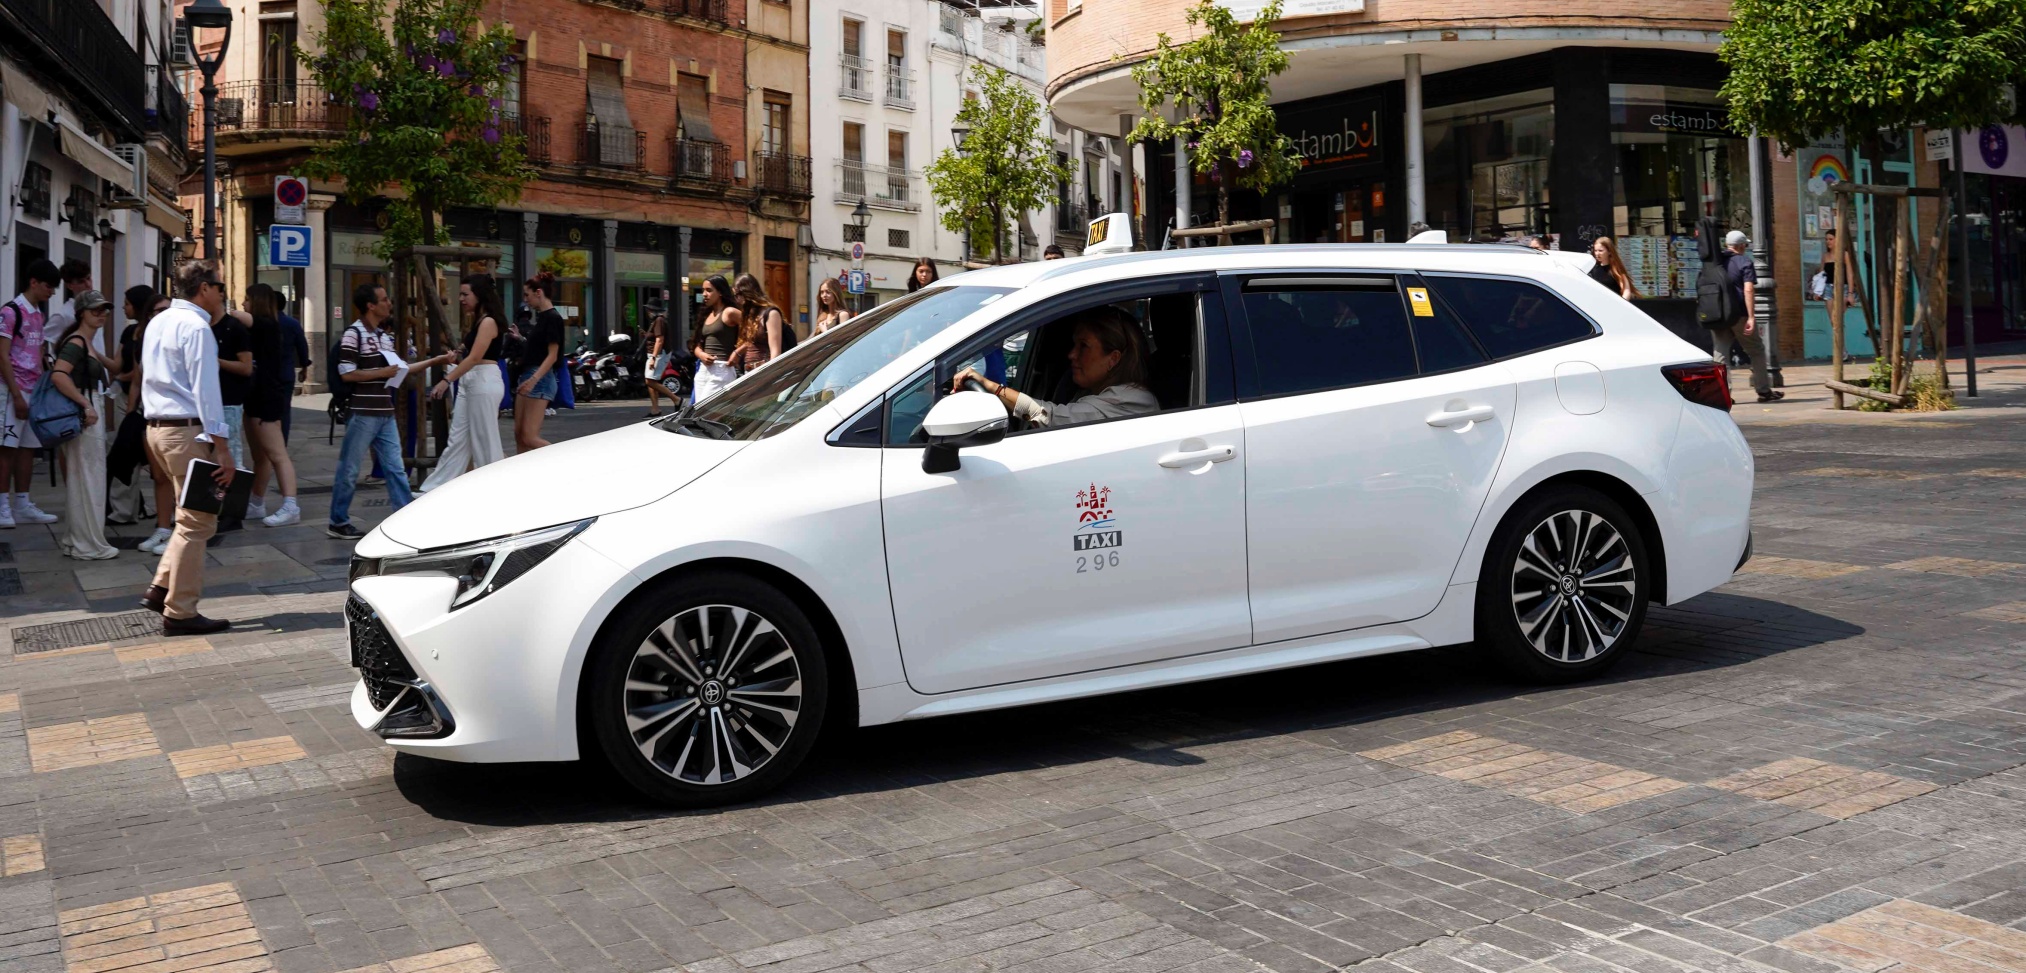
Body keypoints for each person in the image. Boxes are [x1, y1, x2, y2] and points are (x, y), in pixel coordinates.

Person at [138, 260, 236, 636]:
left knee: (186, 516)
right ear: (205, 288)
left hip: (159, 430)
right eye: (221, 287)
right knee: (198, 521)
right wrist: (223, 449)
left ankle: (161, 586)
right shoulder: (197, 327)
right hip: (186, 432)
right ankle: (180, 611)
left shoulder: (158, 321)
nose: (223, 295)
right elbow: (207, 393)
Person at [328, 282, 454, 540]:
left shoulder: (382, 337)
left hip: (385, 412)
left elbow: (402, 367)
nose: (389, 303)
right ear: (370, 306)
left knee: (395, 469)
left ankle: (404, 516)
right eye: (384, 299)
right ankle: (338, 521)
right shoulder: (355, 334)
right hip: (363, 413)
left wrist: (438, 360)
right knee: (349, 469)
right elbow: (347, 373)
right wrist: (381, 373)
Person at [950, 306, 1156, 429]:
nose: (1072, 354)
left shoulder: (1130, 401)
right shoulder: (1090, 392)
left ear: (1113, 359)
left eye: (1083, 346)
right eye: (1074, 344)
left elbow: (1051, 417)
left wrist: (993, 388)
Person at [48, 290, 121, 560]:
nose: (101, 314)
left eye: (104, 309)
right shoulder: (77, 342)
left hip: (88, 413)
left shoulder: (85, 341)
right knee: (88, 478)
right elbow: (58, 375)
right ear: (81, 313)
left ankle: (77, 539)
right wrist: (86, 405)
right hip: (85, 415)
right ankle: (87, 543)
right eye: (95, 310)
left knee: (85, 478)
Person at [424, 277, 507, 490]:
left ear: (479, 295)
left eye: (465, 294)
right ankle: (435, 488)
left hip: (483, 380)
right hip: (472, 382)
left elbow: (475, 357)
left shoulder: (488, 322)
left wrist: (446, 380)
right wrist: (457, 352)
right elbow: (468, 348)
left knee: (484, 439)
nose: (461, 299)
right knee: (458, 439)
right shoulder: (480, 321)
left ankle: (495, 488)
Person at [0, 259, 61, 528]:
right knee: (6, 449)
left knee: (27, 449)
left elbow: (37, 351)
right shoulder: (11, 312)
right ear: (33, 282)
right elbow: (2, 355)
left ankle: (22, 504)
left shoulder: (38, 314)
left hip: (33, 390)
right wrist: (15, 394)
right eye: (49, 286)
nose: (52, 292)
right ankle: (2, 506)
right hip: (11, 391)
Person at [241, 285, 301, 526]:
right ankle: (256, 502)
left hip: (268, 398)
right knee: (261, 457)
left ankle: (290, 505)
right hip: (255, 398)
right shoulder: (259, 328)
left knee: (277, 455)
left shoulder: (267, 325)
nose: (243, 303)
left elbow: (241, 316)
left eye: (246, 299)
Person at [109, 286, 158, 527]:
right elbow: (117, 366)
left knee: (153, 460)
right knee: (126, 455)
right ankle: (124, 510)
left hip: (147, 403)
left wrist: (124, 378)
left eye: (127, 303)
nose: (123, 307)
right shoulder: (129, 332)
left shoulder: (154, 332)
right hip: (126, 401)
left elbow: (140, 373)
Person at [1716, 229, 1779, 403]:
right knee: (1756, 350)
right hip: (1739, 314)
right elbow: (1749, 289)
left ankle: (1723, 395)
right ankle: (1763, 391)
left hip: (1718, 314)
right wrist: (1751, 316)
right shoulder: (1744, 261)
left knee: (1720, 355)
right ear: (1742, 245)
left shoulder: (1716, 261)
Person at [211, 292, 255, 533]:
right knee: (213, 459)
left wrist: (217, 362)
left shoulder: (233, 328)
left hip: (229, 401)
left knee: (232, 455)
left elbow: (246, 367)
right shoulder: (203, 327)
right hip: (208, 402)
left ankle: (233, 513)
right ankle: (215, 507)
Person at [514, 273, 565, 452]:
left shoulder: (552, 318)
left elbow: (552, 355)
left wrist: (533, 380)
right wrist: (520, 338)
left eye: (527, 295)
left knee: (528, 436)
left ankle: (563, 458)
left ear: (539, 292)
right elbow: (540, 349)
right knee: (520, 435)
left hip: (539, 378)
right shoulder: (544, 317)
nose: (525, 300)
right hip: (531, 375)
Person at [687, 276, 742, 401]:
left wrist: (738, 352)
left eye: (709, 290)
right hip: (703, 369)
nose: (704, 294)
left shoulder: (730, 312)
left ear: (721, 292)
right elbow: (696, 345)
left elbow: (753, 332)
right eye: (703, 290)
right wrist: (701, 355)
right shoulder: (706, 314)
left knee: (706, 410)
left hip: (722, 368)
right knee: (699, 411)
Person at [734, 273, 791, 360]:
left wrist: (771, 372)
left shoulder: (771, 314)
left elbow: (775, 351)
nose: (736, 300)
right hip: (749, 370)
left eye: (736, 295)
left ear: (746, 293)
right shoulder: (749, 315)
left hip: (764, 369)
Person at [641, 301, 676, 417]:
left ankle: (677, 399)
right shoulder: (656, 321)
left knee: (649, 381)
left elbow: (659, 340)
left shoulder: (659, 321)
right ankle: (655, 409)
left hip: (659, 354)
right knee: (651, 381)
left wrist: (654, 358)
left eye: (649, 310)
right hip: (653, 354)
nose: (648, 312)